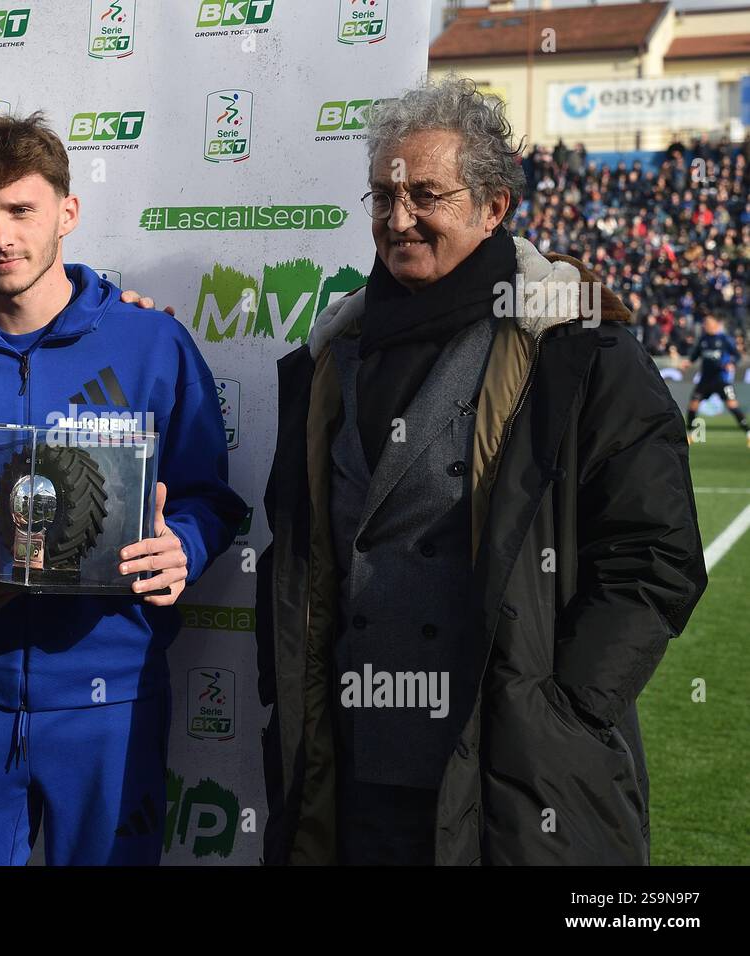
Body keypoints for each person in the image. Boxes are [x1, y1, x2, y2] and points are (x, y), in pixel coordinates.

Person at [255, 76, 707, 865]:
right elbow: (298, 552)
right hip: (353, 772)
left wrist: (563, 711)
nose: (398, 221)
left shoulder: (581, 349)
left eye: (426, 195)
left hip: (506, 771)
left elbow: (655, 553)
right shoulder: (332, 358)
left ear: (494, 207)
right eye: (382, 197)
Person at [0, 112, 246, 865]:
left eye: (20, 210)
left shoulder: (151, 344)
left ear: (66, 213)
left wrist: (187, 546)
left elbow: (213, 497)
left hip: (111, 702)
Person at [680, 314, 750, 445]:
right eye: (705, 323)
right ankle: (690, 434)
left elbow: (737, 356)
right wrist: (688, 362)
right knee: (693, 404)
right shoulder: (703, 339)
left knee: (732, 405)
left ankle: (748, 433)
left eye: (708, 323)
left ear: (716, 325)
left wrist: (731, 363)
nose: (705, 325)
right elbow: (695, 355)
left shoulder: (724, 339)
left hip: (721, 379)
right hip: (705, 380)